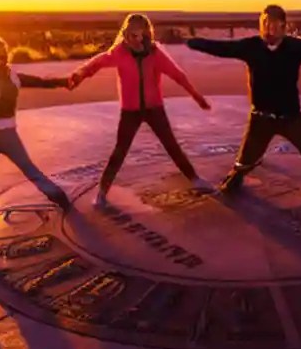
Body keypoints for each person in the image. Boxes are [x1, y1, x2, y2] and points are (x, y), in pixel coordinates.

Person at [185, 4, 301, 196]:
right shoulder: (251, 47)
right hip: (260, 118)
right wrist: (196, 43)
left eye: (272, 24)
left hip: (290, 117)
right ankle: (235, 178)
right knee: (245, 158)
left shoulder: (294, 47)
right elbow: (222, 48)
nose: (267, 28)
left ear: (283, 27)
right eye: (263, 23)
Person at [68, 13, 214, 208]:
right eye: (128, 35)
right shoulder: (119, 52)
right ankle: (102, 192)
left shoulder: (155, 53)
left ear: (145, 35)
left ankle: (195, 179)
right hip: (130, 111)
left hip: (155, 109)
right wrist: (80, 74)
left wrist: (196, 96)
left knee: (171, 145)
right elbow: (98, 62)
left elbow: (177, 74)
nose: (132, 39)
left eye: (136, 35)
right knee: (120, 151)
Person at [0, 32, 72, 238]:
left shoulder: (12, 76)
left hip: (9, 136)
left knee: (29, 168)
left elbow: (39, 82)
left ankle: (58, 196)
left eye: (2, 57)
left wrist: (62, 82)